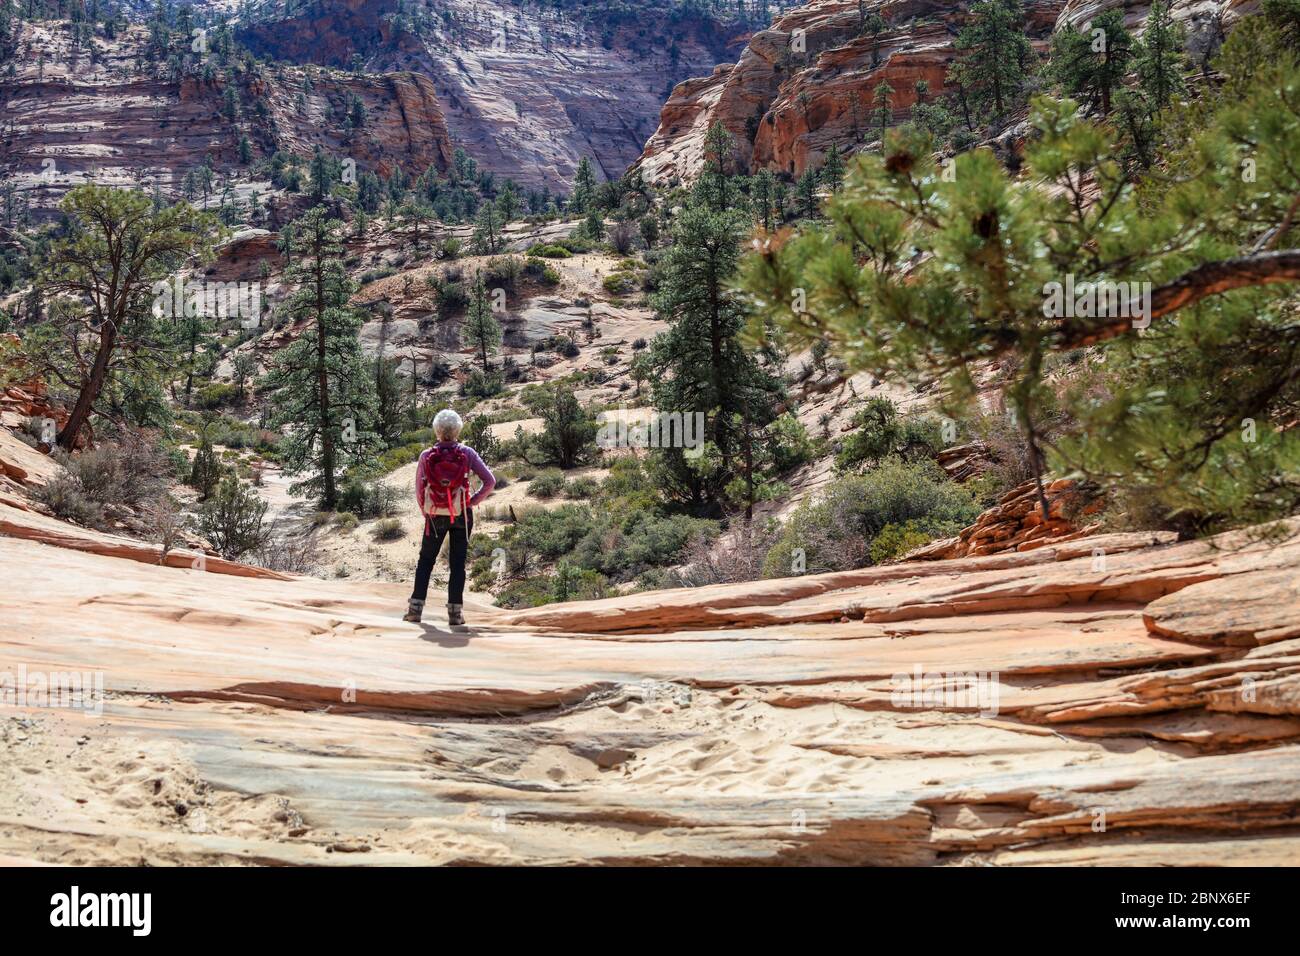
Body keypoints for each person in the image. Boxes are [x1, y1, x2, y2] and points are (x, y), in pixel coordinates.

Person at [405, 408, 496, 625]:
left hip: (435, 515)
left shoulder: (426, 455)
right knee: (457, 563)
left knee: (426, 561)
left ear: (437, 430)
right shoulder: (468, 453)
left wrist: (427, 511)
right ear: (457, 430)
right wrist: (471, 502)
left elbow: (419, 489)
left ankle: (415, 610)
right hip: (462, 515)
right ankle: (455, 615)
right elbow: (490, 481)